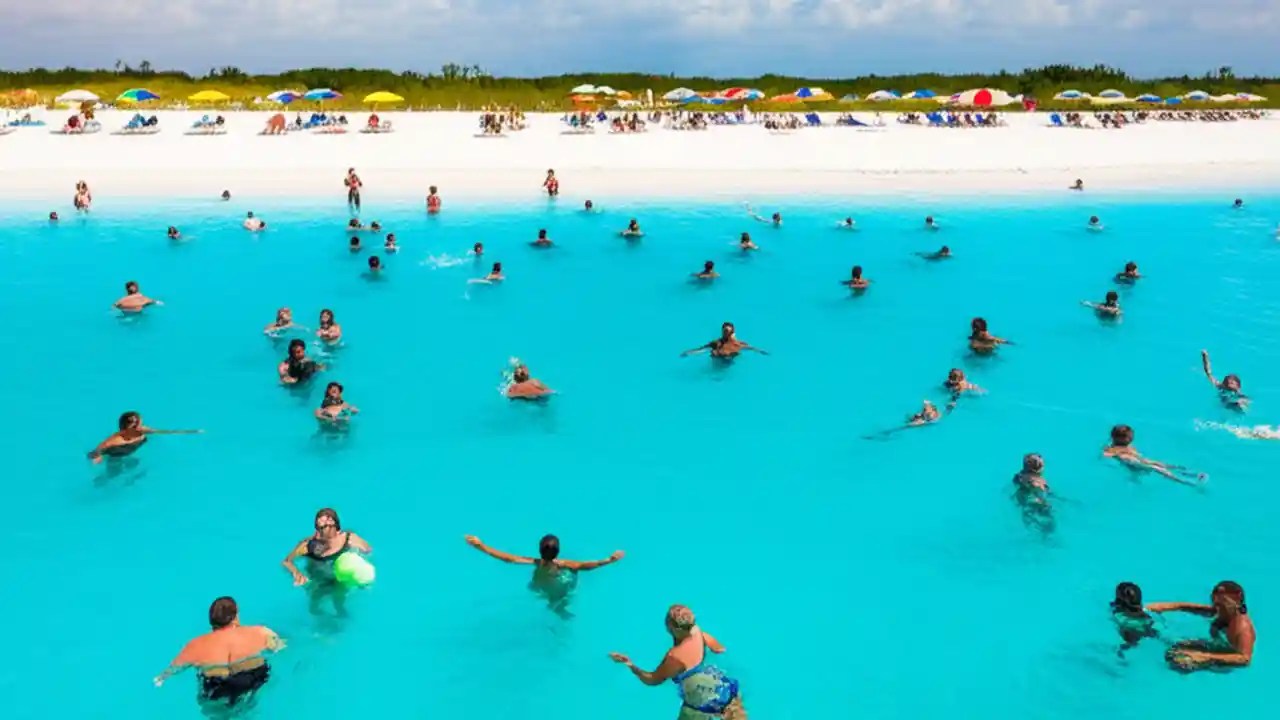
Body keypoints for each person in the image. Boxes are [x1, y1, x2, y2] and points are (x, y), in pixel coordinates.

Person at [608, 604, 746, 720]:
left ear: (672, 628)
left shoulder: (675, 657)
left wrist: (630, 664)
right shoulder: (698, 632)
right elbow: (719, 649)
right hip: (725, 690)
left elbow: (653, 680)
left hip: (700, 706)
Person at [153, 597, 284, 708]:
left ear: (212, 621)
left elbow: (172, 670)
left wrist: (160, 679)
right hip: (253, 677)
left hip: (217, 685)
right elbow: (280, 647)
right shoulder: (261, 631)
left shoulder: (196, 645)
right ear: (236, 617)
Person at [463, 534, 623, 617]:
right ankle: (560, 611)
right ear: (558, 551)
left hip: (537, 586)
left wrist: (481, 546)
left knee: (545, 593)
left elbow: (507, 558)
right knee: (566, 587)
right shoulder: (567, 564)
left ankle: (557, 609)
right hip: (558, 589)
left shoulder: (535, 562)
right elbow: (587, 566)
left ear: (539, 550)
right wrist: (609, 560)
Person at [281, 508, 373, 617]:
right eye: (322, 525)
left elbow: (367, 550)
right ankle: (320, 622)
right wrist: (297, 573)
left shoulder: (348, 538)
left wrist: (358, 573)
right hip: (318, 578)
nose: (326, 525)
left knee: (339, 604)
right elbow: (286, 561)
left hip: (339, 578)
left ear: (335, 524)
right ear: (317, 528)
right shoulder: (309, 545)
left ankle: (341, 620)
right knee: (314, 607)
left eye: (329, 521)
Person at [1149, 581, 1255, 671]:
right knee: (1173, 652)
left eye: (1221, 606)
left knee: (1183, 664)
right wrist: (1164, 607)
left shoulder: (1243, 628)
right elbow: (1188, 607)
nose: (1217, 609)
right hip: (1217, 646)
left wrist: (1204, 657)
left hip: (1226, 659)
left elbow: (1245, 659)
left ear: (1238, 599)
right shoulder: (1225, 612)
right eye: (1216, 604)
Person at [1103, 424, 1205, 485]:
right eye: (1130, 437)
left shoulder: (1121, 445)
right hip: (1133, 463)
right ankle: (1186, 482)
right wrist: (1117, 453)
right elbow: (1106, 454)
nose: (1132, 438)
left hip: (1139, 460)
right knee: (1157, 468)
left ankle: (1189, 473)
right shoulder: (1113, 449)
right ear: (1125, 439)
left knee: (1162, 464)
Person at [88, 411, 201, 463]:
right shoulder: (116, 440)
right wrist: (97, 456)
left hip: (131, 450)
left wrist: (192, 431)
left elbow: (168, 432)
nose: (139, 428)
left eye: (140, 424)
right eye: (135, 426)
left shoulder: (143, 431)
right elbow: (96, 451)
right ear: (125, 429)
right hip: (117, 453)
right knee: (114, 473)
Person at [1111, 582, 1157, 656]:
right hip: (1146, 624)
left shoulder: (1117, 610)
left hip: (1130, 628)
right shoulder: (1144, 610)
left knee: (1127, 644)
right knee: (1155, 635)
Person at [1011, 452, 1054, 534]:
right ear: (1039, 469)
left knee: (1029, 516)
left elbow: (1017, 484)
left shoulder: (1019, 476)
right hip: (1033, 500)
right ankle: (1048, 535)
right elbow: (1043, 490)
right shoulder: (1038, 481)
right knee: (1049, 516)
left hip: (1021, 498)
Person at [681, 322, 768, 360]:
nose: (726, 333)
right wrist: (689, 352)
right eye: (725, 331)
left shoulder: (739, 343)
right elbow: (702, 350)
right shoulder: (716, 342)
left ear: (732, 332)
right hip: (718, 359)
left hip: (728, 361)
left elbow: (751, 348)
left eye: (728, 331)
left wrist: (761, 351)